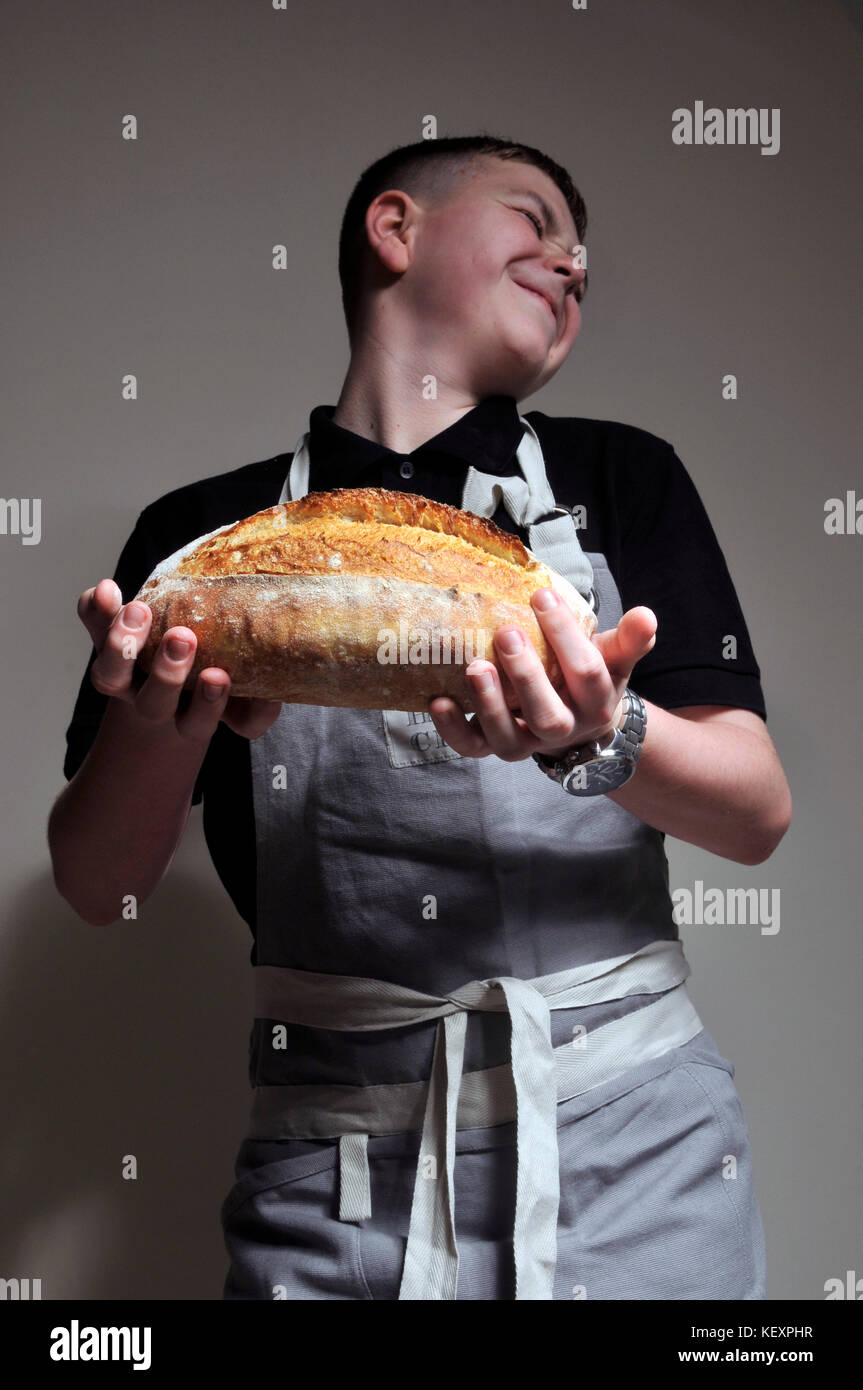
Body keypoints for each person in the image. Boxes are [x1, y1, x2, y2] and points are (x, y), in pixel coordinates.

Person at [49, 133, 792, 1301]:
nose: (571, 258)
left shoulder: (622, 480)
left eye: (579, 247)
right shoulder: (204, 547)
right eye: (532, 217)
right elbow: (99, 886)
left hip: (634, 1159)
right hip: (333, 1177)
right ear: (393, 230)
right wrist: (155, 724)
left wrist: (598, 739)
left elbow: (754, 815)